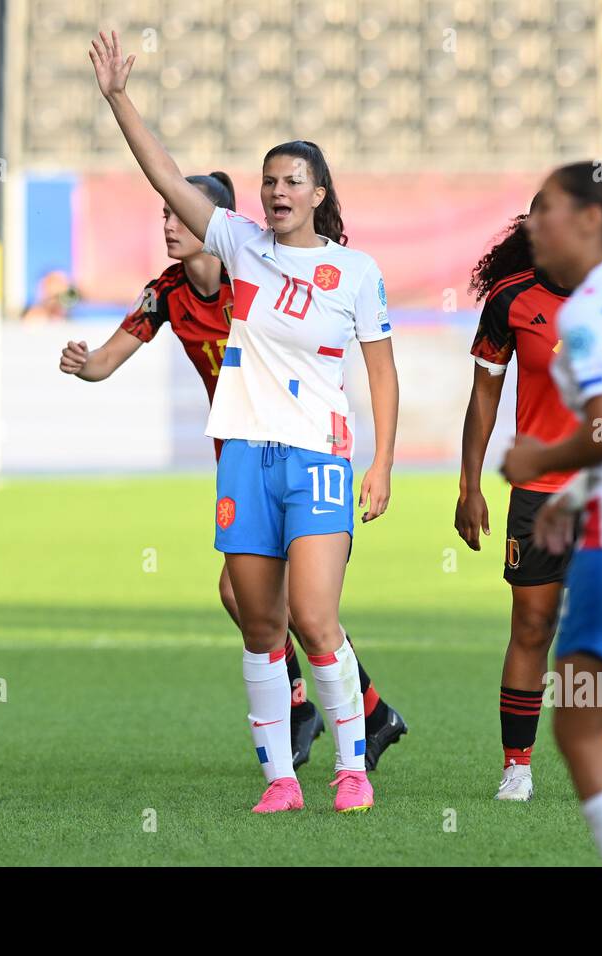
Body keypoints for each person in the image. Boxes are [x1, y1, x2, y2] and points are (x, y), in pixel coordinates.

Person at [89, 31, 401, 813]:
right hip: (243, 461)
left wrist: (383, 460)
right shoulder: (240, 245)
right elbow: (162, 172)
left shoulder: (356, 273)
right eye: (268, 182)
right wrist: (119, 98)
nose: (278, 192)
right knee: (258, 623)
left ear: (321, 192)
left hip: (319, 457)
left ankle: (353, 767)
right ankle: (280, 781)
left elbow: (381, 371)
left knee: (315, 616)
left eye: (293, 181)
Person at [457, 208, 602, 803]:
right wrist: (469, 484)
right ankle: (517, 767)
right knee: (532, 626)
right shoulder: (509, 300)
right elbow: (484, 395)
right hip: (538, 492)